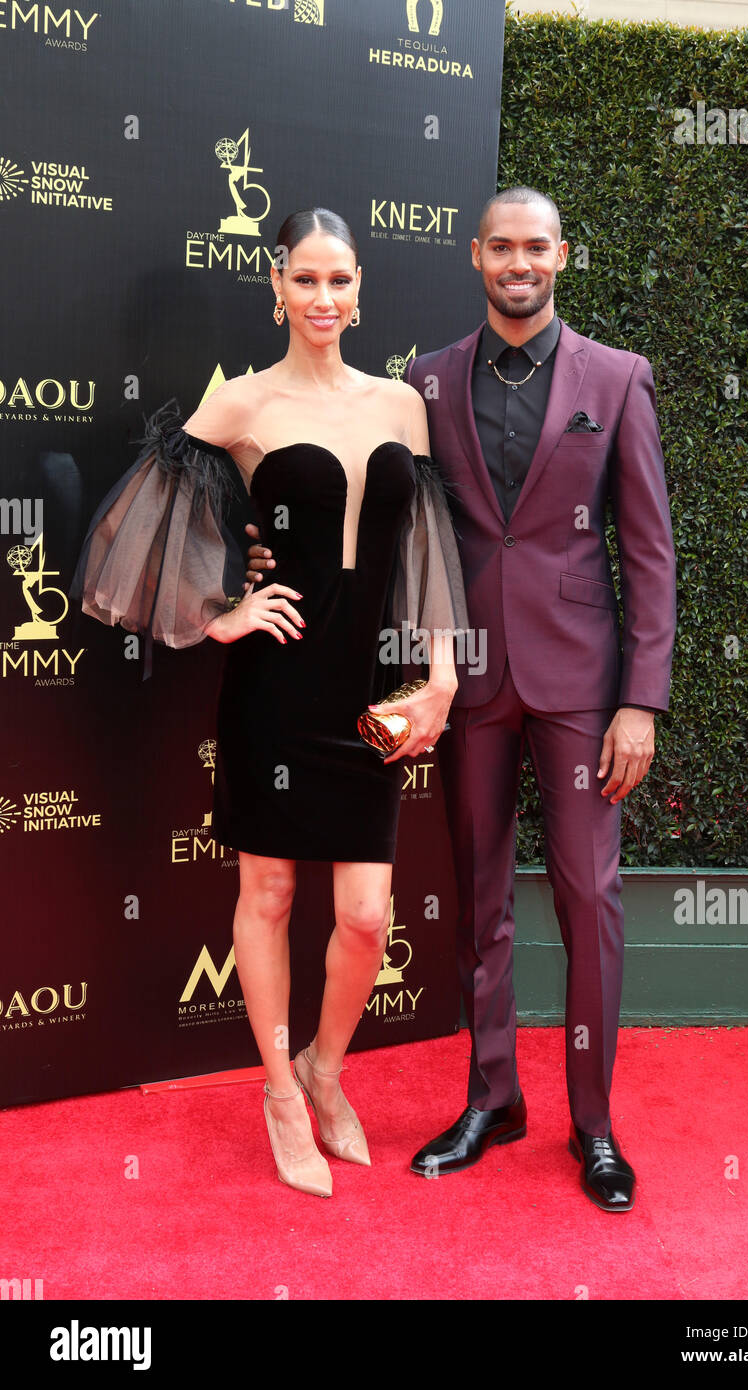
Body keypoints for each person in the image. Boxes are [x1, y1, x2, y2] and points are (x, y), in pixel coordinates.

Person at [249, 187, 678, 1212]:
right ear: (474, 255)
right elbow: (371, 504)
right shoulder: (424, 384)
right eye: (501, 247)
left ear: (561, 256)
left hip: (581, 686)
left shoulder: (615, 380)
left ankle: (594, 1124)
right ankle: (492, 1098)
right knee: (478, 898)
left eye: (536, 246)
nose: (518, 261)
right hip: (467, 680)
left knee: (588, 900)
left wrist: (641, 702)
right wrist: (264, 543)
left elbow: (649, 550)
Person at [73, 207, 467, 1199]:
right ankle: (278, 1092)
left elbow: (423, 552)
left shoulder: (399, 406)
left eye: (340, 280)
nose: (324, 298)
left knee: (367, 917)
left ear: (360, 290)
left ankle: (324, 1070)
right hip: (276, 689)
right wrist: (223, 613)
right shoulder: (240, 406)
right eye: (306, 279)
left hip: (367, 687)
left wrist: (443, 673)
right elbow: (146, 532)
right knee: (270, 894)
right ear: (276, 287)